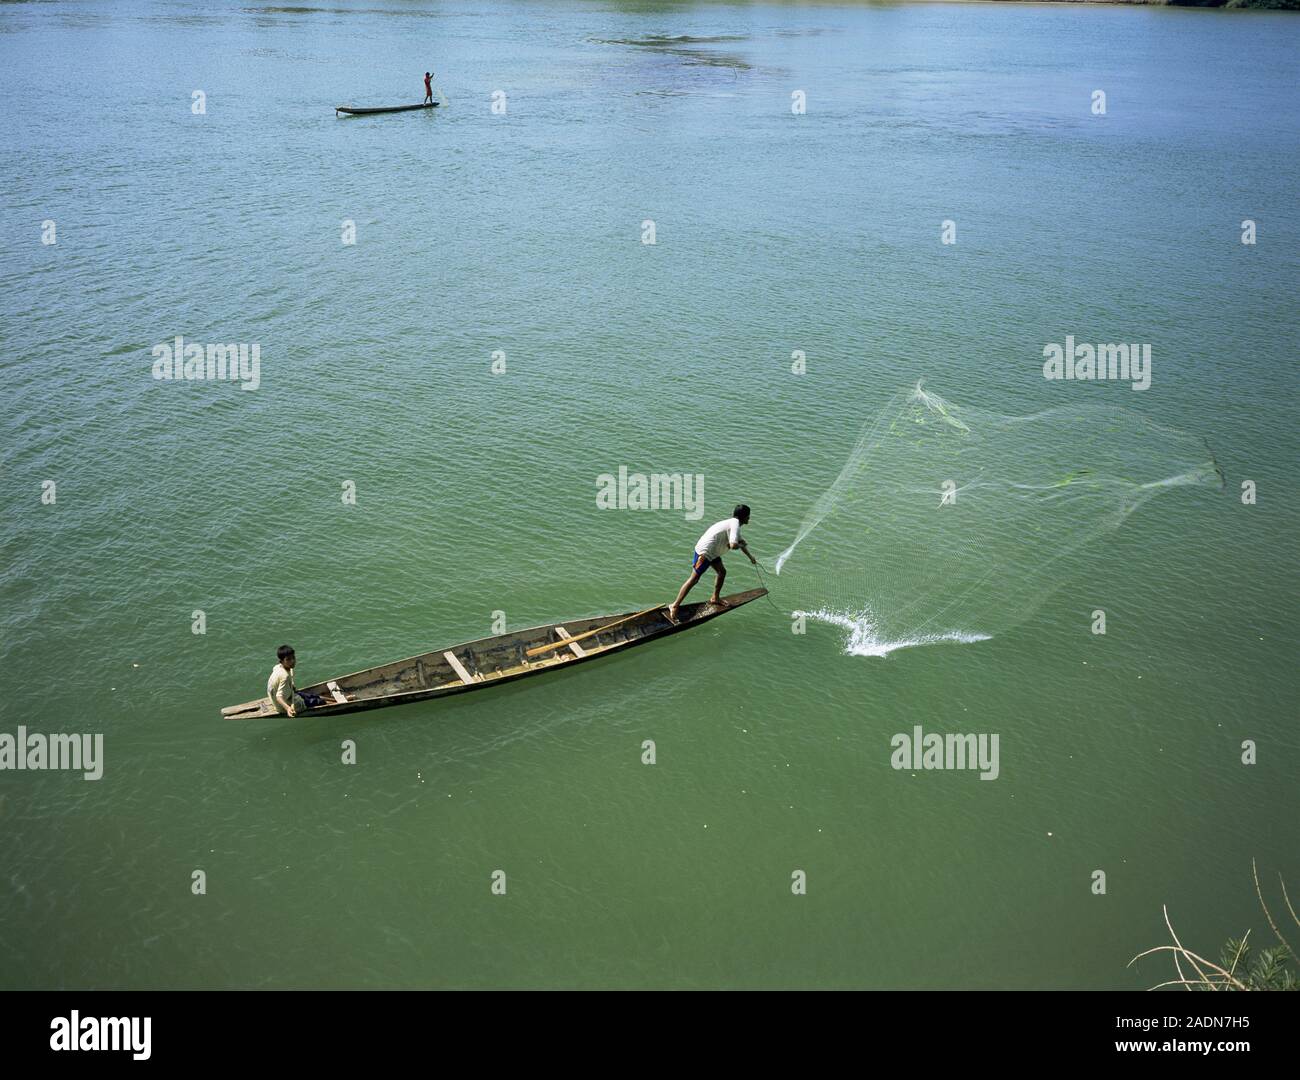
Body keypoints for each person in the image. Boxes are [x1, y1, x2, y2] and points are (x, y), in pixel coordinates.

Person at [667, 504, 756, 622]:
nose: (749, 518)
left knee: (722, 572)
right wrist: (739, 545)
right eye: (748, 516)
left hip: (712, 552)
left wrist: (750, 557)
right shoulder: (735, 524)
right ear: (744, 517)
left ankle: (715, 598)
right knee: (694, 579)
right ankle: (675, 605)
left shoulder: (733, 523)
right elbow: (733, 545)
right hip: (705, 553)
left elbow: (739, 542)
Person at [268, 645, 309, 717]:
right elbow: (279, 697)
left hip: (272, 698)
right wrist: (288, 708)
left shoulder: (277, 667)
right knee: (317, 701)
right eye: (288, 659)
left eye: (293, 658)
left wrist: (291, 686)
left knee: (310, 695)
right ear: (282, 661)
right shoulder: (285, 676)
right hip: (281, 706)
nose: (292, 661)